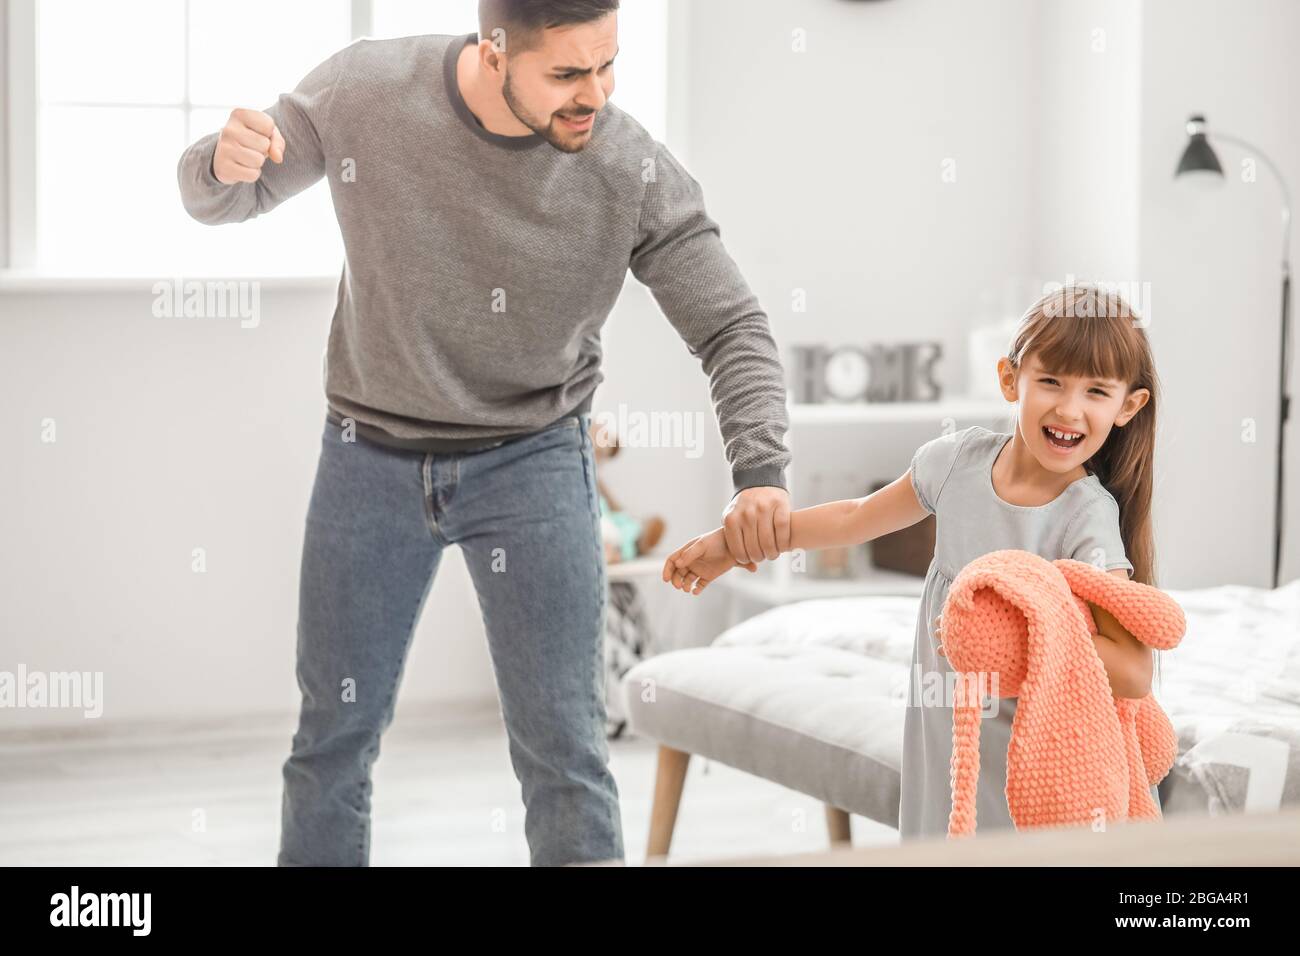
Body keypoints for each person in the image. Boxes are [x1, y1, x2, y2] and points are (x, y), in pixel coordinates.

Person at [176, 0, 793, 866]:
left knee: (566, 754)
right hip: (369, 455)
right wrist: (217, 162)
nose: (597, 95)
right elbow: (223, 196)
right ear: (493, 51)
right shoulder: (366, 93)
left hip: (534, 459)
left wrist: (759, 470)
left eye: (609, 64)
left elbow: (732, 325)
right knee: (332, 742)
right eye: (569, 74)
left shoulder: (627, 163)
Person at [662, 283, 1164, 840]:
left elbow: (1134, 671)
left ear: (1127, 407)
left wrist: (1017, 630)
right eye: (1051, 381)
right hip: (942, 731)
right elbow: (855, 518)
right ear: (1009, 378)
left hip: (1032, 753)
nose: (1069, 408)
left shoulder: (1084, 517)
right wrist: (734, 546)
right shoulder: (956, 465)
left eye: (1097, 391)